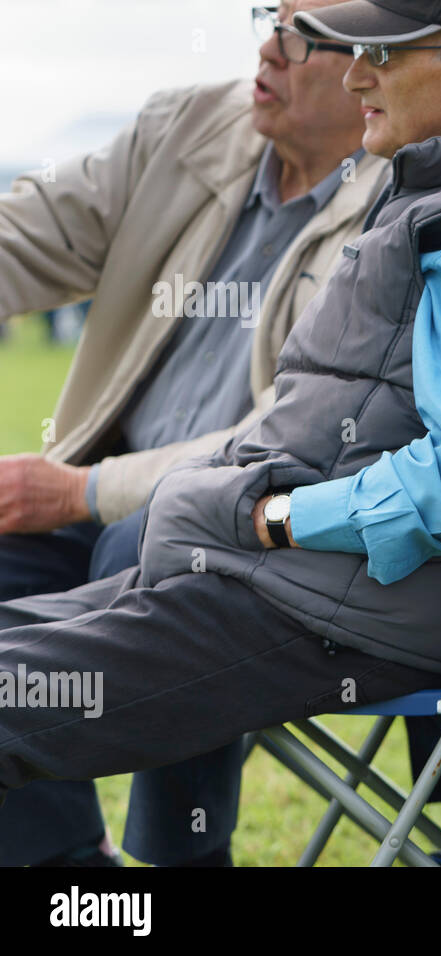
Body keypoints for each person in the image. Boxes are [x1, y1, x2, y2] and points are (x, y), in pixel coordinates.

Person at [0, 0, 441, 862]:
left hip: (324, 606)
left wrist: (271, 516)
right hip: (280, 582)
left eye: (383, 55)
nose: (356, 75)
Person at [0, 0, 388, 866]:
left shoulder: (390, 206)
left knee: (166, 547)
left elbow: (289, 430)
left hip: (243, 520)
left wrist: (81, 490)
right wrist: (79, 492)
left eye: (297, 34)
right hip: (97, 493)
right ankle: (64, 867)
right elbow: (29, 234)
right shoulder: (189, 124)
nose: (267, 48)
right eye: (268, 16)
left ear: (374, 66)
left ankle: (178, 861)